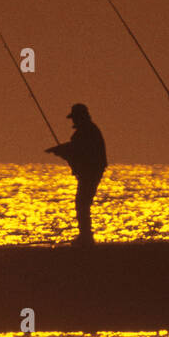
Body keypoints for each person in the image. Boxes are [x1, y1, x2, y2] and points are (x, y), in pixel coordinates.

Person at [45, 104, 108, 244]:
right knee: (83, 202)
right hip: (91, 171)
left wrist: (61, 151)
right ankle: (85, 235)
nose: (73, 121)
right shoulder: (88, 130)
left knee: (82, 202)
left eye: (74, 118)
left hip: (91, 172)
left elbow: (78, 151)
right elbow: (76, 151)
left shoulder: (86, 131)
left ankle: (86, 237)